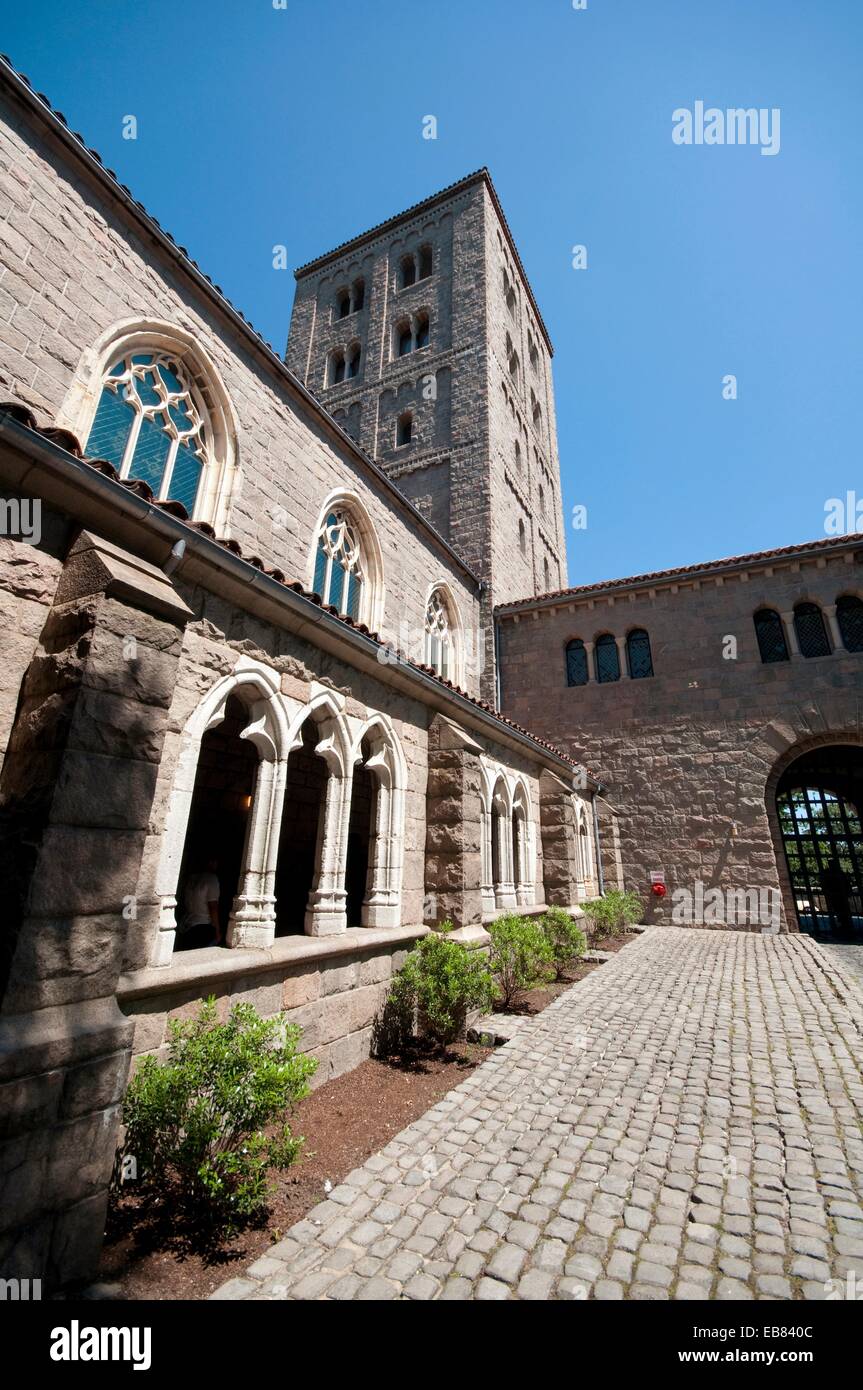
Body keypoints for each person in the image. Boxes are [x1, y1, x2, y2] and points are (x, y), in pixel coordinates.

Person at [175, 854, 222, 951]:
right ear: (211, 863)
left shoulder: (191, 878)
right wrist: (217, 931)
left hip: (186, 924)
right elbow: (213, 906)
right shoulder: (211, 879)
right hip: (202, 926)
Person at [820, 856, 853, 938]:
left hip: (839, 895)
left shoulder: (836, 872)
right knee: (838, 911)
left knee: (842, 911)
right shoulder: (835, 872)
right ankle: (843, 926)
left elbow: (846, 883)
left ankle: (845, 926)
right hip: (835, 895)